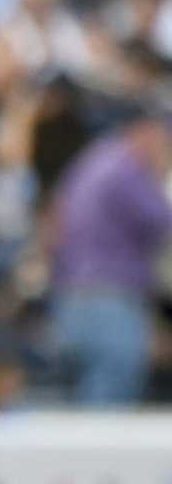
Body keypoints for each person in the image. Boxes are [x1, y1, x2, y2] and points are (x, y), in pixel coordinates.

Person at [47, 113, 172, 406]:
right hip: (108, 296)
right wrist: (160, 174)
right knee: (112, 391)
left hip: (76, 292)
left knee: (96, 387)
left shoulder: (92, 160)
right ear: (145, 133)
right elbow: (162, 221)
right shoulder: (125, 169)